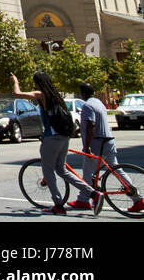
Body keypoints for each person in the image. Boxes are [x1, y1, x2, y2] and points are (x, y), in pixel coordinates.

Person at [11, 71, 95, 214]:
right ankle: (93, 193)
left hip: (52, 138)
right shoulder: (56, 96)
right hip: (64, 137)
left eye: (35, 82)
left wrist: (15, 81)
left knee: (48, 170)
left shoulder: (42, 94)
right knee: (62, 170)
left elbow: (17, 94)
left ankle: (58, 205)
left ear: (38, 83)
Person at [73, 82, 144, 213]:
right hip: (108, 141)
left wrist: (87, 146)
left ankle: (83, 200)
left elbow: (91, 126)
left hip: (97, 142)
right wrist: (78, 130)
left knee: (87, 172)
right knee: (117, 170)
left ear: (82, 93)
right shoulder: (99, 103)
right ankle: (138, 199)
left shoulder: (88, 105)